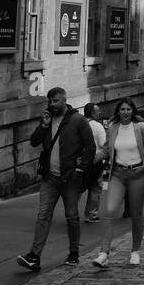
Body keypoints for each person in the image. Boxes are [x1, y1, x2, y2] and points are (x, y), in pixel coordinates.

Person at [17, 88, 96, 271]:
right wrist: (44, 126)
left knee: (71, 216)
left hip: (70, 178)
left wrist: (79, 168)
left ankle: (74, 252)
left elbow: (90, 148)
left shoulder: (78, 120)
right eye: (50, 101)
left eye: (55, 101)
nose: (52, 104)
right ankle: (34, 256)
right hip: (50, 178)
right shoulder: (48, 119)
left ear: (63, 100)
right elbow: (34, 142)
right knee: (43, 215)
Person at [92, 99, 144, 268]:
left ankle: (135, 251)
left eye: (128, 109)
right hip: (118, 174)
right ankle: (104, 253)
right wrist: (88, 159)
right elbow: (107, 149)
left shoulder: (141, 127)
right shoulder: (113, 128)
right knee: (109, 211)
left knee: (136, 214)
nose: (125, 112)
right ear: (118, 111)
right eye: (122, 109)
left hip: (138, 173)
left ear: (133, 111)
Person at [81, 102, 107, 223]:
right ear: (92, 112)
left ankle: (71, 212)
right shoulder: (98, 126)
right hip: (95, 161)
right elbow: (103, 145)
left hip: (81, 161)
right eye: (97, 111)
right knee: (95, 188)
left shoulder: (80, 124)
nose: (100, 113)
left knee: (78, 189)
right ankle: (91, 214)